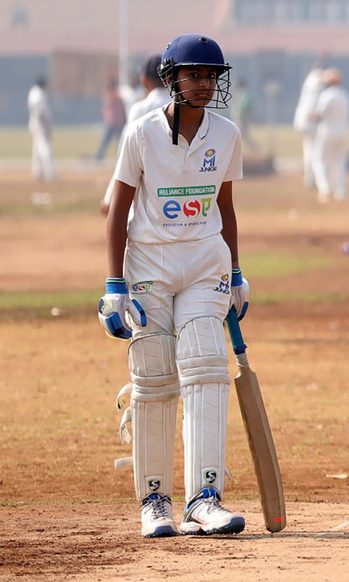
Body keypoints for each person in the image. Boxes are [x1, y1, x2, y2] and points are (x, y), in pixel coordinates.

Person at [100, 33, 248, 538]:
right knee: (155, 378)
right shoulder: (140, 134)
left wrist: (236, 273)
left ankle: (205, 499)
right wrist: (114, 285)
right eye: (194, 74)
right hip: (149, 265)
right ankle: (155, 501)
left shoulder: (226, 134)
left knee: (207, 368)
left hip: (205, 261)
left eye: (211, 75)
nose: (204, 84)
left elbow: (225, 207)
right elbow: (117, 210)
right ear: (171, 78)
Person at [101, 55, 171, 214]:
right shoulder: (180, 105)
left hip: (149, 182)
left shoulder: (140, 109)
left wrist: (109, 198)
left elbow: (125, 153)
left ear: (144, 80)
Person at [311, 68, 349, 203]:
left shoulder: (326, 95)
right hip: (342, 132)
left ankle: (325, 188)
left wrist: (311, 116)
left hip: (327, 132)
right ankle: (340, 192)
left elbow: (320, 114)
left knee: (318, 160)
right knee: (339, 162)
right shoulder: (345, 95)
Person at [293, 56, 326, 189]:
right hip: (311, 120)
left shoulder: (310, 79)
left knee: (308, 149)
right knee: (314, 151)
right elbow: (314, 102)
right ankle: (314, 180)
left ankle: (309, 179)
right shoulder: (317, 82)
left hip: (303, 120)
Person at [27, 76, 56, 182]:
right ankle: (50, 172)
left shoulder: (33, 93)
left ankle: (37, 171)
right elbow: (40, 112)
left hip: (36, 123)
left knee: (37, 148)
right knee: (44, 148)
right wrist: (46, 126)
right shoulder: (38, 94)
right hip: (40, 124)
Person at [95, 79, 127, 161]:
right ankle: (99, 156)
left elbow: (122, 109)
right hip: (110, 123)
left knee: (120, 142)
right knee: (105, 141)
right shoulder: (107, 97)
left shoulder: (117, 97)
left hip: (118, 123)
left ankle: (122, 157)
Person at [233, 79, 260, 152]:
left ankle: (256, 149)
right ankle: (255, 149)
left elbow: (246, 109)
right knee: (243, 136)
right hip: (239, 119)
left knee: (240, 136)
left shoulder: (244, 96)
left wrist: (243, 120)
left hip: (241, 120)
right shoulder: (240, 95)